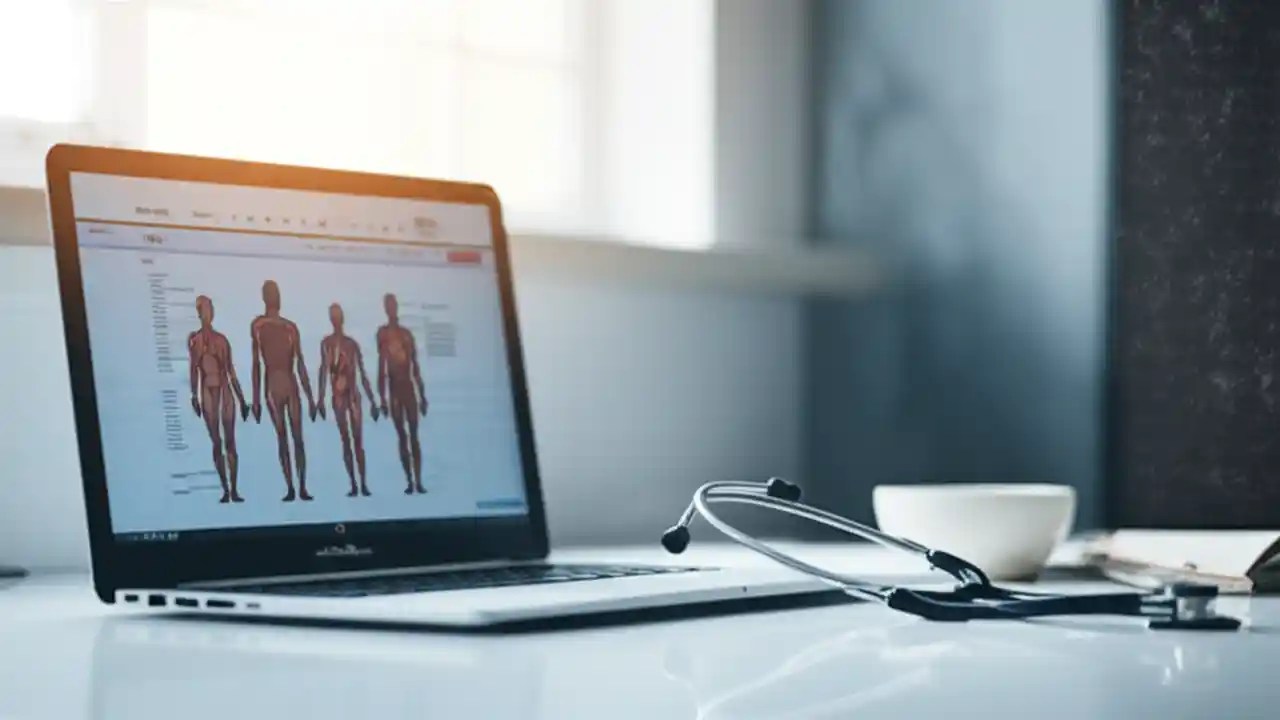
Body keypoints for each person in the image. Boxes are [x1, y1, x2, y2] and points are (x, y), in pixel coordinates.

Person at [250, 280, 317, 502]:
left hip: (290, 382)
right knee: (282, 437)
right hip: (272, 383)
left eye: (275, 292)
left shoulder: (290, 326)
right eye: (270, 293)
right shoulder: (258, 325)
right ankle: (290, 487)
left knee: (297, 438)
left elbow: (300, 363)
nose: (274, 296)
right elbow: (256, 363)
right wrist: (256, 399)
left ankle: (303, 486)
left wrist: (310, 396)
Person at [188, 295, 249, 503]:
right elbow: (193, 370)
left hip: (224, 390)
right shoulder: (195, 341)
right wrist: (194, 395)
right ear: (199, 312)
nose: (207, 312)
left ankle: (235, 489)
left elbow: (231, 371)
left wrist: (242, 400)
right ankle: (225, 489)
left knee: (230, 441)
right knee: (216, 441)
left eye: (210, 308)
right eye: (204, 309)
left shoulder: (221, 340)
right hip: (207, 390)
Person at [317, 303, 380, 497]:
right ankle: (353, 484)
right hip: (338, 396)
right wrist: (319, 399)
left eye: (338, 315)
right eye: (333, 316)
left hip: (353, 394)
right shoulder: (327, 343)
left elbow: (361, 372)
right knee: (346, 440)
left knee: (358, 441)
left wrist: (372, 400)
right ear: (331, 319)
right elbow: (324, 370)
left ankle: (363, 484)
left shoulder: (351, 344)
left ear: (342, 318)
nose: (336, 319)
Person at [377, 293, 427, 494]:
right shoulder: (382, 334)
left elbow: (415, 365)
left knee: (414, 435)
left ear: (397, 307)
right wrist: (382, 398)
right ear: (385, 308)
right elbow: (382, 366)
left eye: (393, 304)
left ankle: (419, 481)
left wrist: (422, 395)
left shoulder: (406, 334)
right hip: (394, 388)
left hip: (408, 387)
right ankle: (409, 481)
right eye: (388, 305)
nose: (391, 308)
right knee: (402, 436)